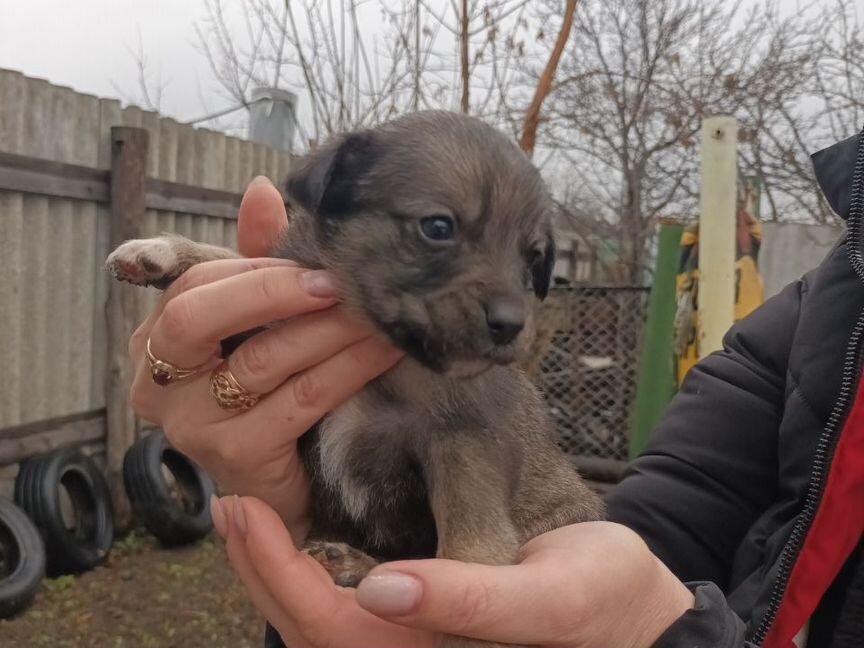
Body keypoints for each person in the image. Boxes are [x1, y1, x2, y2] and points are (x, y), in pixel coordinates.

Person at [128, 129, 864, 648]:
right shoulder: (807, 333)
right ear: (331, 197)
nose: (511, 300)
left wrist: (658, 636)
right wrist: (198, 285)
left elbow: (534, 545)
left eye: (528, 259)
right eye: (439, 229)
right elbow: (658, 539)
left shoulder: (459, 380)